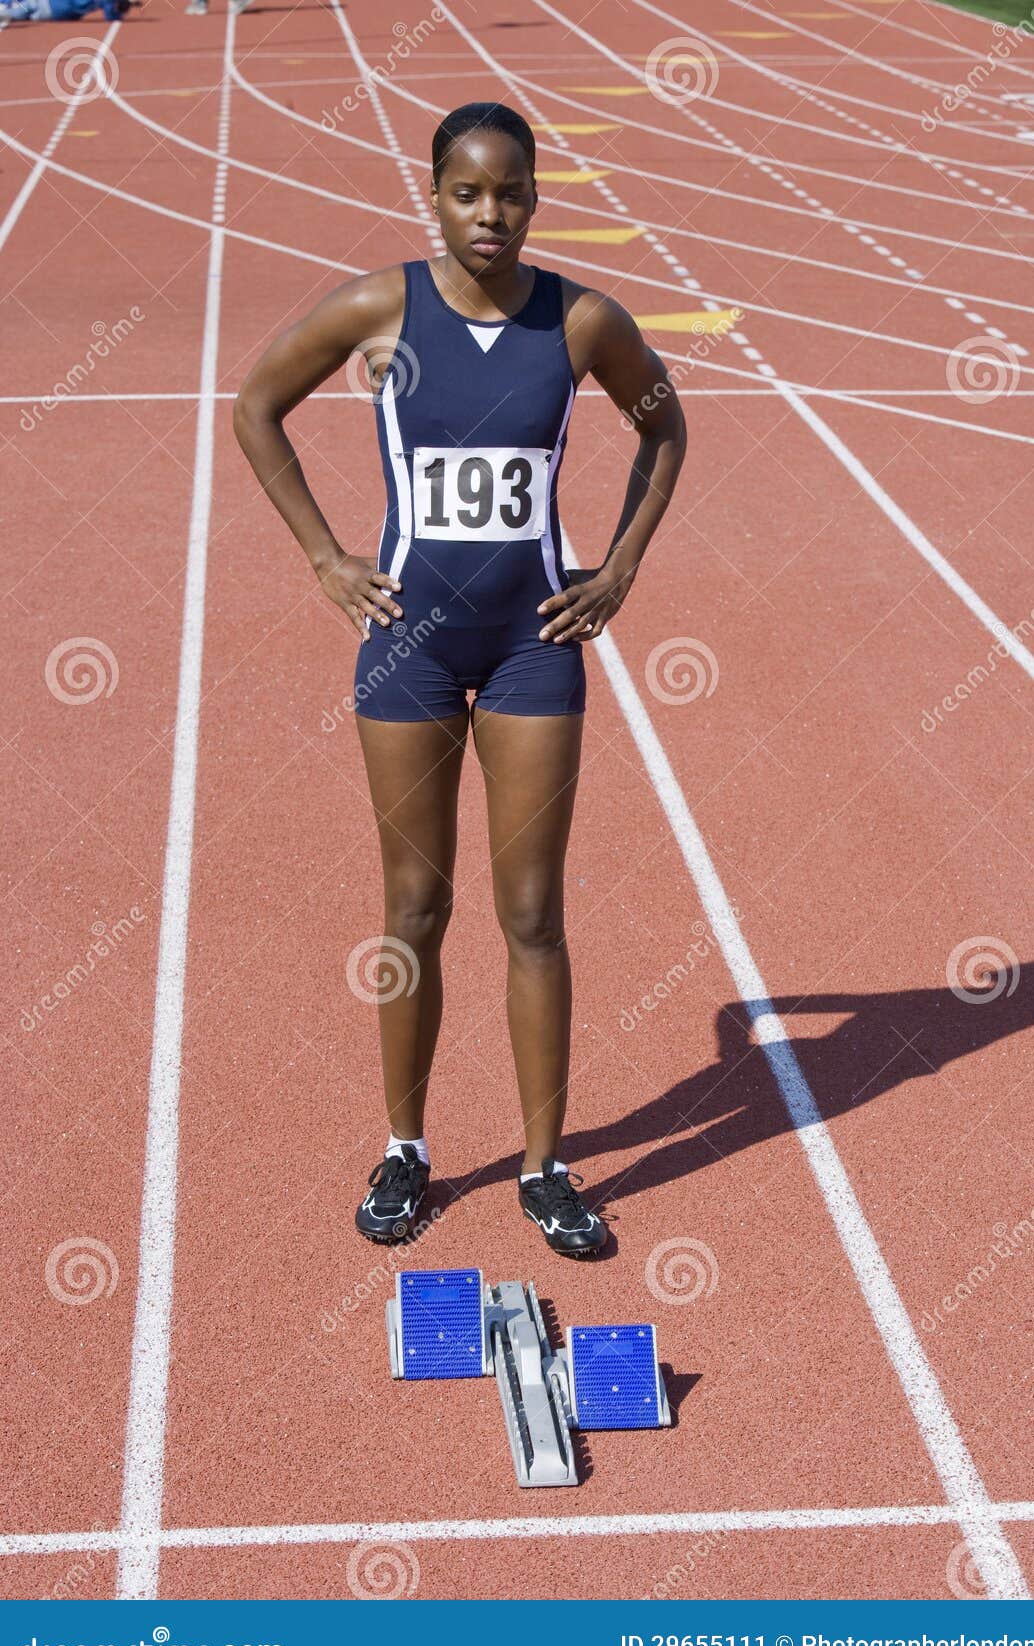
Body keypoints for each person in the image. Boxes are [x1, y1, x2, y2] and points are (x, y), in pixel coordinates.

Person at [233, 102, 686, 1257]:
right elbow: (257, 407)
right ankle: (406, 1148)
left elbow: (664, 427)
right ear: (433, 194)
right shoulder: (380, 308)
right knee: (414, 908)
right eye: (469, 192)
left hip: (533, 643)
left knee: (532, 913)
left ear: (536, 198)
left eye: (512, 192)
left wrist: (619, 567)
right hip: (410, 647)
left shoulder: (581, 321)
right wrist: (325, 557)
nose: (492, 213)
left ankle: (544, 1165)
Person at [0, 0, 129, 19]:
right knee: (15, 14)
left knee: (14, 14)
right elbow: (111, 16)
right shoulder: (107, 2)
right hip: (50, 12)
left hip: (47, 6)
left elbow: (111, 15)